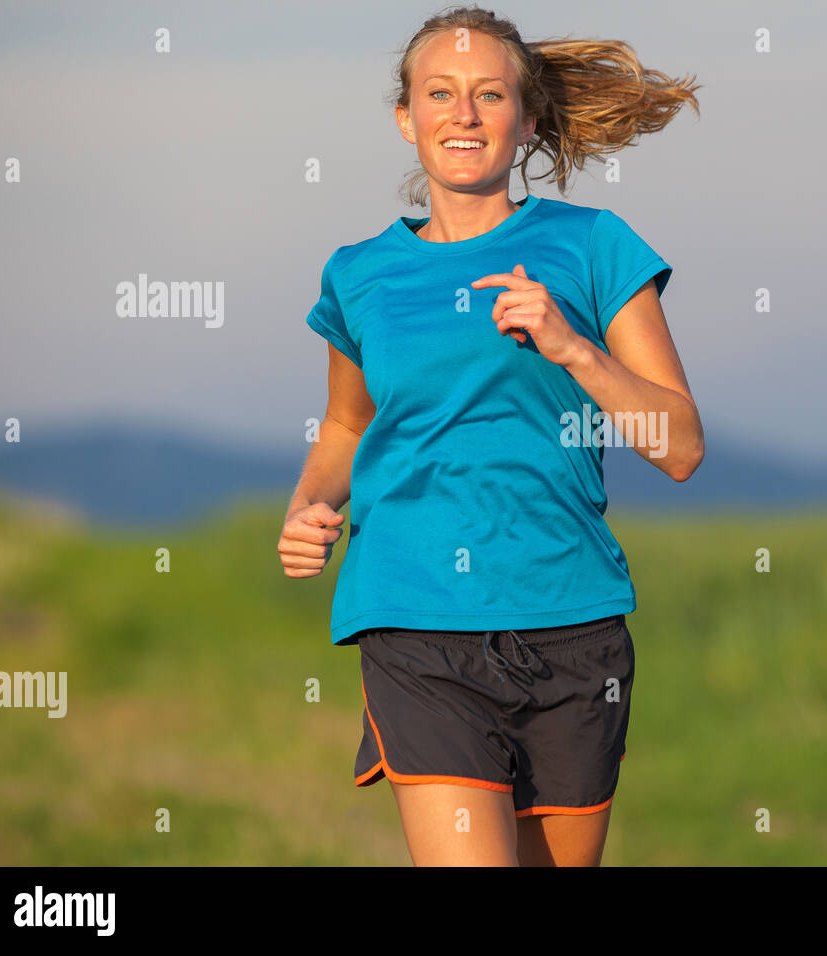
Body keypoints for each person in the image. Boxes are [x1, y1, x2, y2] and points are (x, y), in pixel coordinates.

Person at [278, 4, 704, 866]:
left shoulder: (591, 245)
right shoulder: (360, 275)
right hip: (416, 620)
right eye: (439, 93)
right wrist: (309, 508)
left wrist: (574, 348)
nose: (463, 115)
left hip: (572, 624)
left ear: (527, 119)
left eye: (489, 95)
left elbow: (680, 445)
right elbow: (346, 426)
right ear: (406, 117)